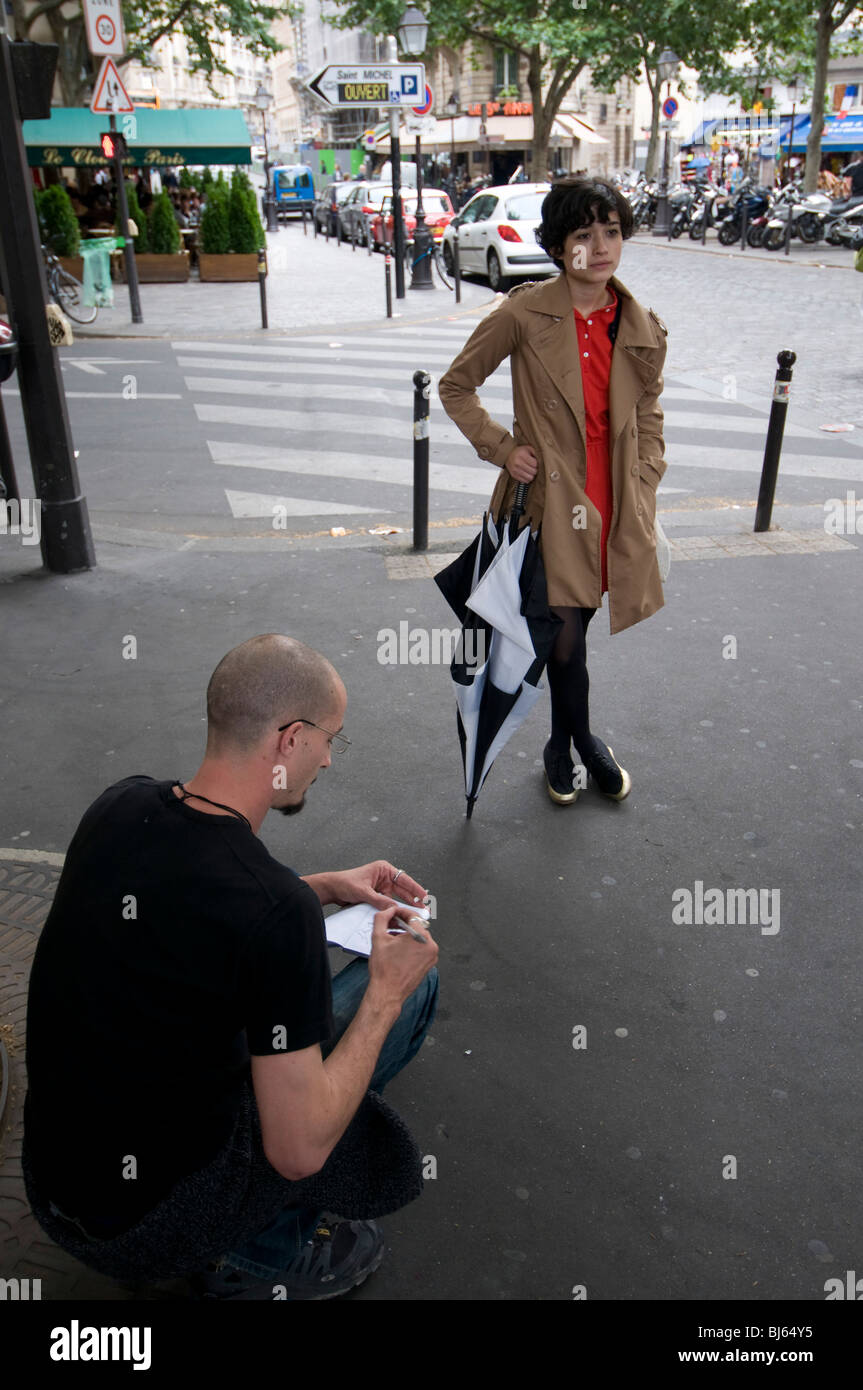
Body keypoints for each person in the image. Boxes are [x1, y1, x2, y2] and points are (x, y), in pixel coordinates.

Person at [22, 634, 439, 1300]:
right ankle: (253, 1257)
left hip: (57, 1188)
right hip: (155, 1222)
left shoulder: (120, 806)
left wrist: (325, 885)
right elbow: (295, 1152)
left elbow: (195, 901)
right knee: (404, 991)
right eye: (331, 739)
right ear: (289, 740)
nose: (329, 760)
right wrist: (388, 993)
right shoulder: (273, 913)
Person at [438, 177, 668, 807]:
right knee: (563, 637)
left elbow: (649, 416)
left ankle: (564, 744)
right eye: (583, 235)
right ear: (557, 245)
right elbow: (456, 386)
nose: (600, 248)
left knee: (577, 632)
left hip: (615, 503)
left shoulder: (642, 326)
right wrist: (503, 448)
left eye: (612, 232)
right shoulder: (523, 311)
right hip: (549, 504)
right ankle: (578, 744)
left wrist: (645, 479)